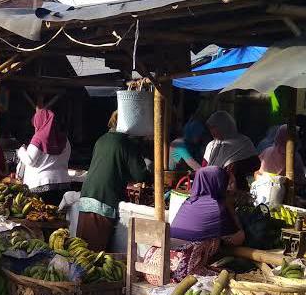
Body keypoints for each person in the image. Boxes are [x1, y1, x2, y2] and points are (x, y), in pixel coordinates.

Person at [144, 167, 245, 284]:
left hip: (151, 268)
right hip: (178, 274)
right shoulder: (217, 207)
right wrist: (231, 209)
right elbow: (238, 239)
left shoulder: (188, 202)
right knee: (230, 276)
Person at [77, 113, 151, 251]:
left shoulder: (101, 139)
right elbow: (140, 175)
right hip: (104, 199)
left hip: (87, 195)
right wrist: (150, 170)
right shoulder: (127, 144)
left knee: (82, 247)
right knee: (94, 253)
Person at [17, 108, 72, 204]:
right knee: (57, 215)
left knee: (40, 215)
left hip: (41, 185)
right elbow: (67, 157)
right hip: (63, 182)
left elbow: (30, 160)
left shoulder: (38, 137)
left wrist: (21, 151)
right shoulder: (65, 139)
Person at [202, 111, 259, 191]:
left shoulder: (243, 142)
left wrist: (237, 165)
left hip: (235, 190)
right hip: (212, 188)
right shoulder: (211, 145)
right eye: (210, 128)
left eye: (214, 127)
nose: (212, 131)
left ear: (224, 126)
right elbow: (204, 166)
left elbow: (255, 164)